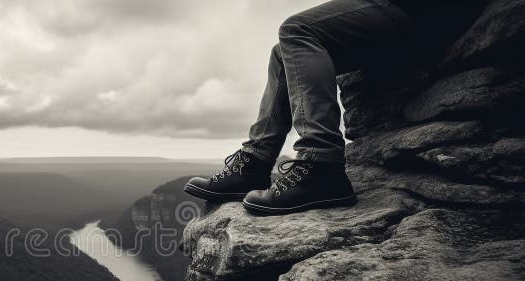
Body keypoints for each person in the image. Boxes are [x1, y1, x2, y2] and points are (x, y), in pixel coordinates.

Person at [184, 0, 482, 215]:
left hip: (430, 11)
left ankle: (321, 166)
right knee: (282, 53)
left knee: (297, 29)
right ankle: (256, 162)